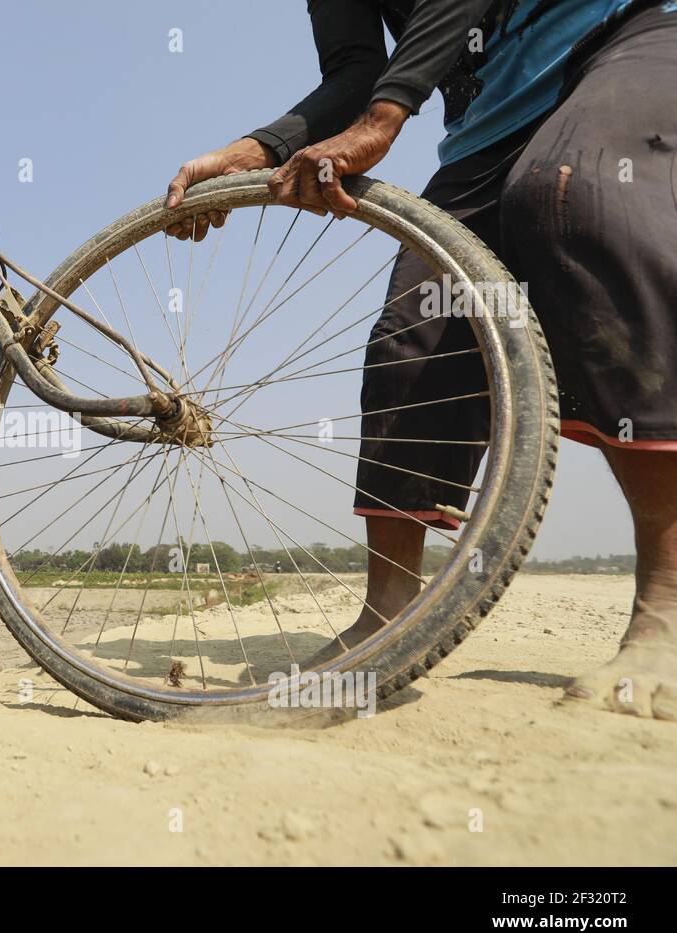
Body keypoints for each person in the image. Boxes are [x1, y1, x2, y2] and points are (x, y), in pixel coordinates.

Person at [164, 0, 677, 720]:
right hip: (493, 114)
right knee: (415, 325)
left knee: (572, 194)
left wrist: (382, 123)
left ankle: (667, 607)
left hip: (619, 34)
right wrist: (258, 151)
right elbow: (353, 74)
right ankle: (387, 615)